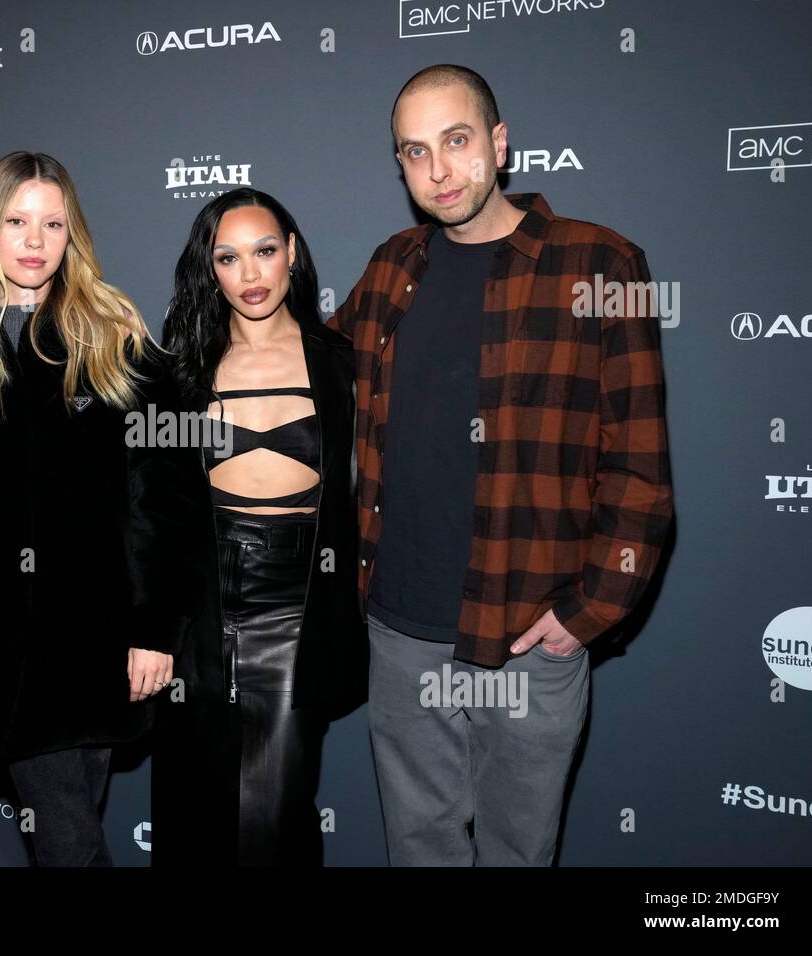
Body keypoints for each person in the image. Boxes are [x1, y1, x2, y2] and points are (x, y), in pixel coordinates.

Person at [328, 64, 673, 866]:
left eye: (456, 141)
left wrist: (588, 613)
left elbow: (642, 465)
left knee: (520, 852)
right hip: (399, 627)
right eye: (414, 152)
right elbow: (311, 374)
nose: (438, 171)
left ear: (500, 143)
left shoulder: (602, 264)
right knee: (418, 848)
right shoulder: (392, 266)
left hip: (527, 631)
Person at [0, 150, 205, 866]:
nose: (33, 240)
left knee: (71, 829)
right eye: (17, 220)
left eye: (52, 223)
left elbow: (166, 494)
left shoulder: (111, 335)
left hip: (96, 638)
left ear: (72, 234)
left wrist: (156, 627)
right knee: (68, 834)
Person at [152, 188, 367, 866]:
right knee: (195, 816)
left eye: (265, 251)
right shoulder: (179, 369)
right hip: (201, 611)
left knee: (275, 819)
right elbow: (154, 508)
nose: (250, 275)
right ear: (208, 269)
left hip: (296, 609)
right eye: (229, 257)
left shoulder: (337, 361)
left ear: (292, 254)